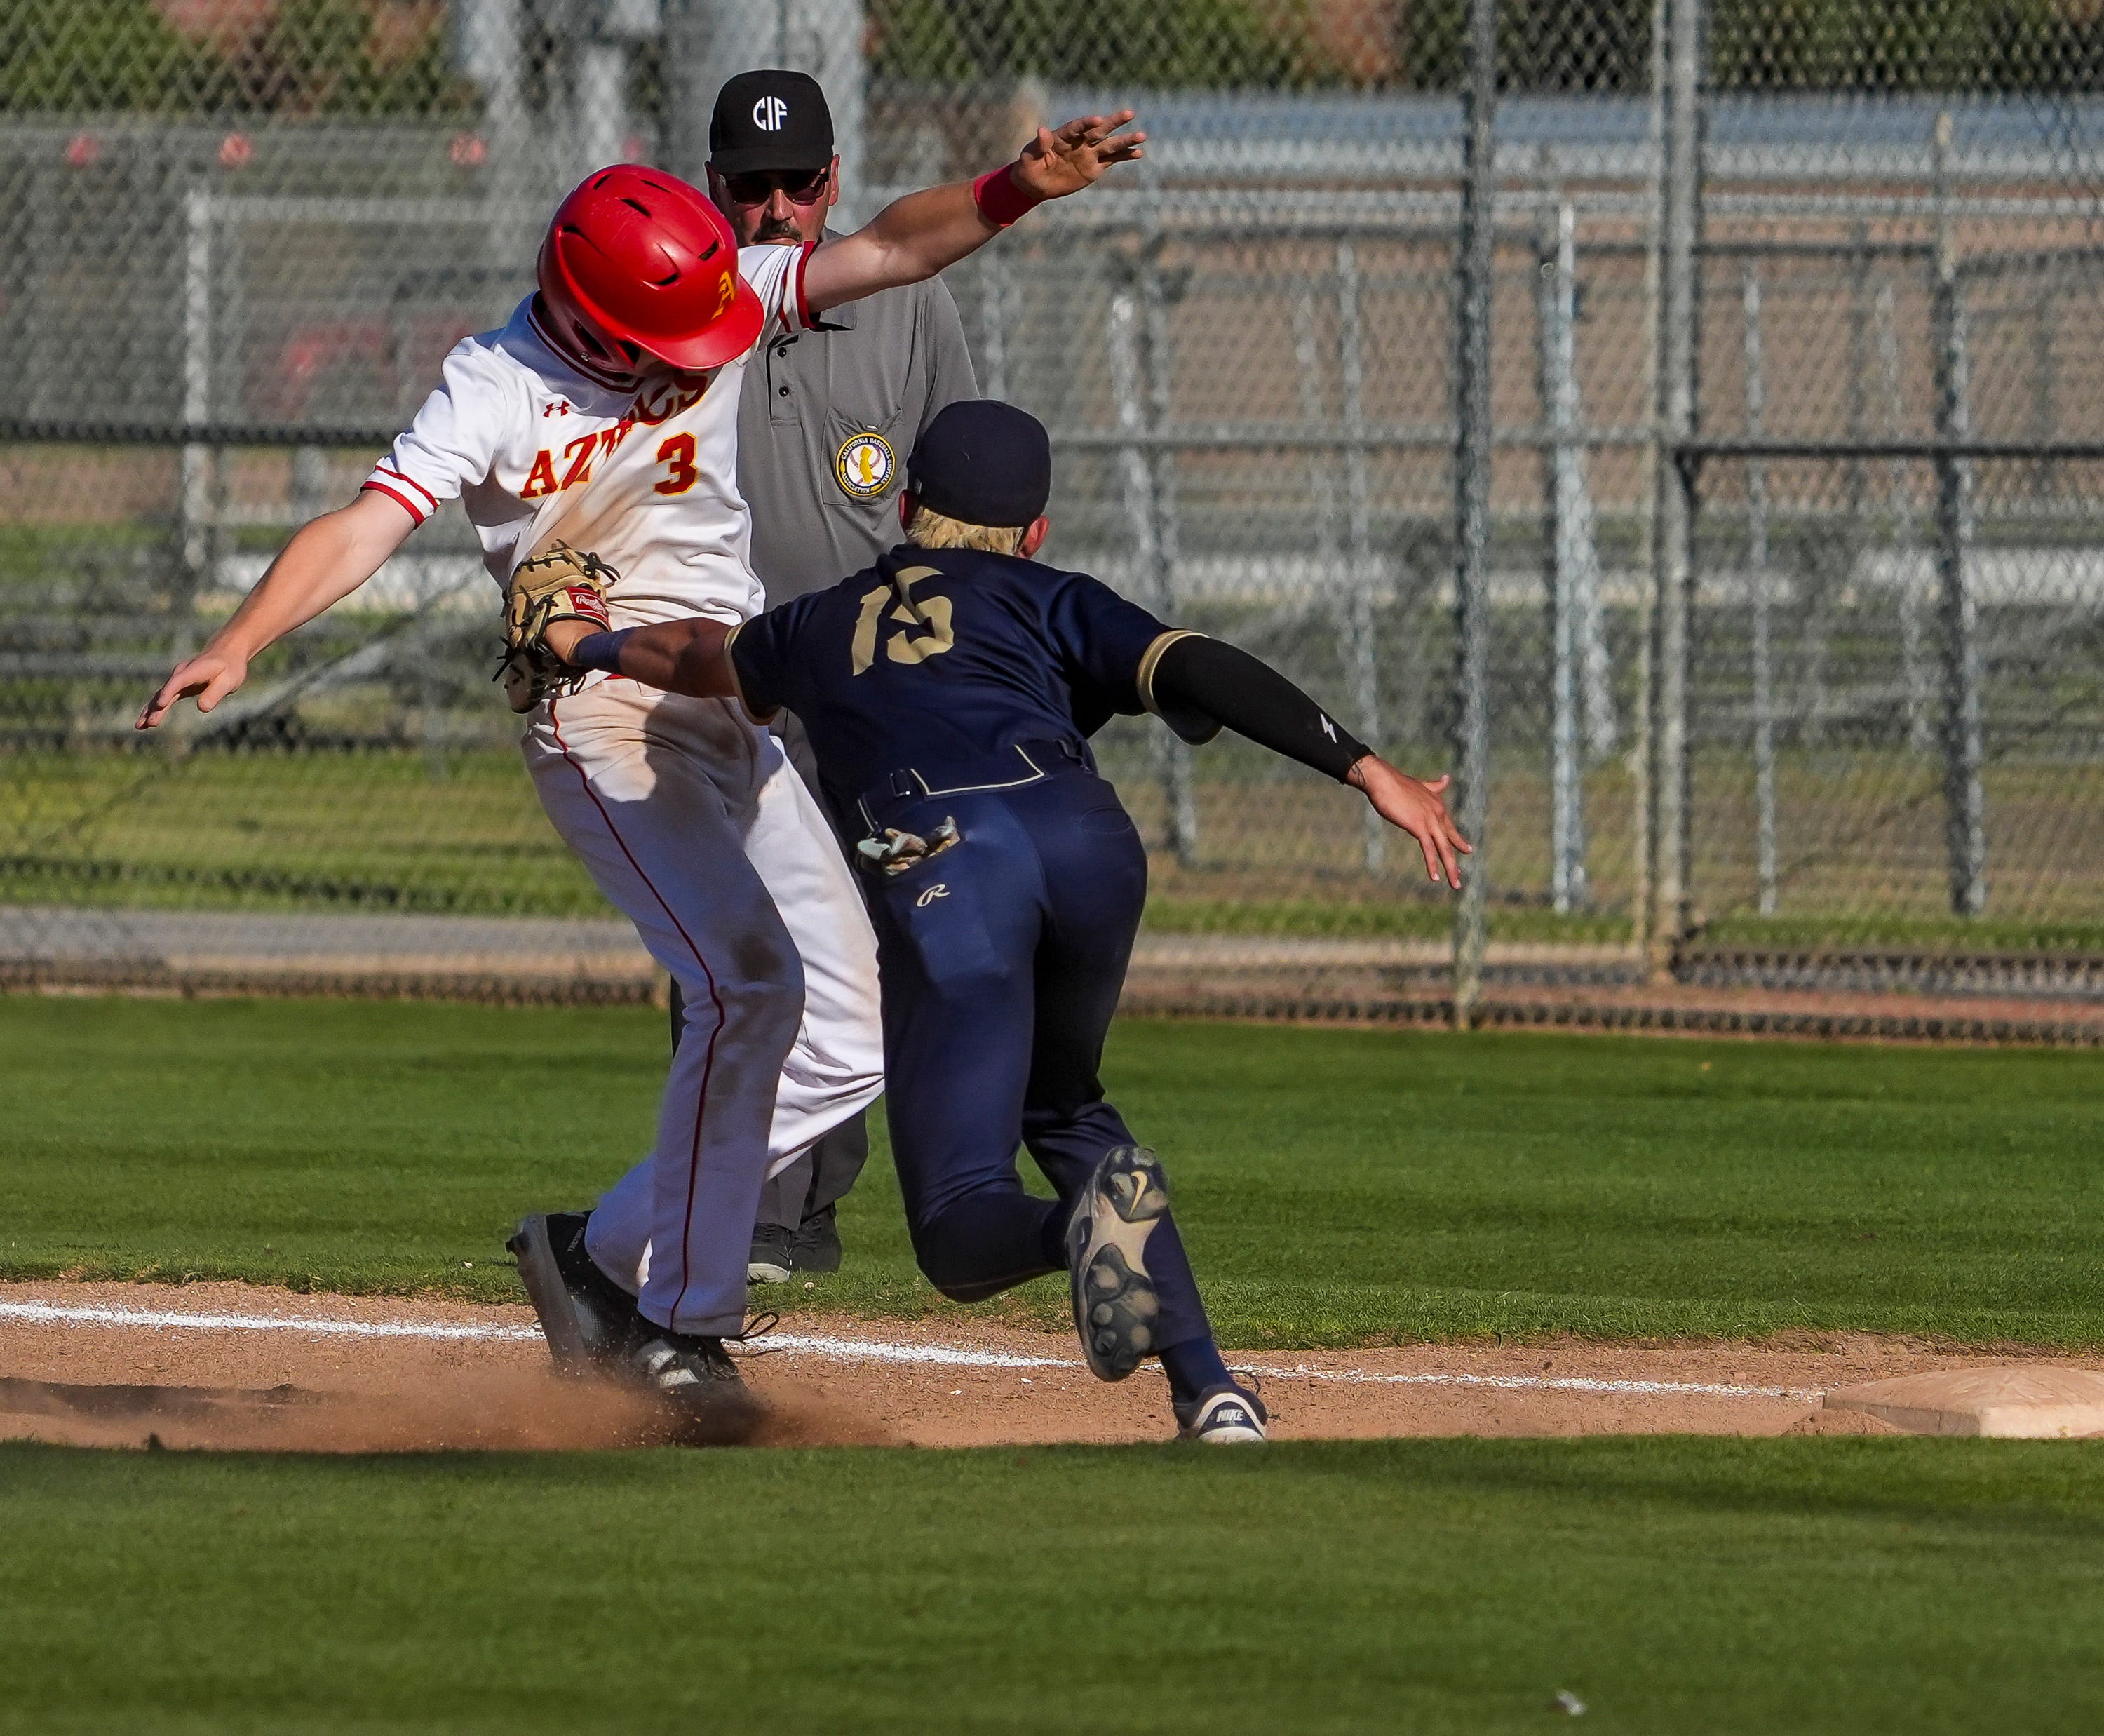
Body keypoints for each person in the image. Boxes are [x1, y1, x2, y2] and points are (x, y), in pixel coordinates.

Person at [135, 119, 1147, 1435]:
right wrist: (240, 639)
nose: (701, 360)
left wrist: (1020, 189)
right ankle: (683, 1326)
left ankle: (601, 1260)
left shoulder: (718, 285)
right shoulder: (494, 382)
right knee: (747, 984)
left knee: (850, 1028)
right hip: (602, 715)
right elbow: (366, 524)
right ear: (587, 311)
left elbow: (894, 244)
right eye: (666, 349)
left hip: (732, 693)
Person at [538, 400, 1471, 1443]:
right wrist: (1367, 768)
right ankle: (1209, 1391)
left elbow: (701, 659)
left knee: (957, 1228)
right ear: (1035, 529)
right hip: (1089, 844)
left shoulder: (820, 621)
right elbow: (1198, 662)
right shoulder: (1053, 596)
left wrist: (588, 638)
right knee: (1068, 1109)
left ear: (904, 506)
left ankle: (1073, 1228)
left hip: (945, 859)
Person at [696, 69, 981, 1285]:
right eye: (749, 186)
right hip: (721, 678)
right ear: (716, 190)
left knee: (874, 943)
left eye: (796, 185)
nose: (774, 209)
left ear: (831, 185)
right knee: (731, 946)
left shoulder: (908, 305)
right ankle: (744, 1212)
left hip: (874, 682)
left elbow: (966, 489)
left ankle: (809, 1206)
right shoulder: (678, 310)